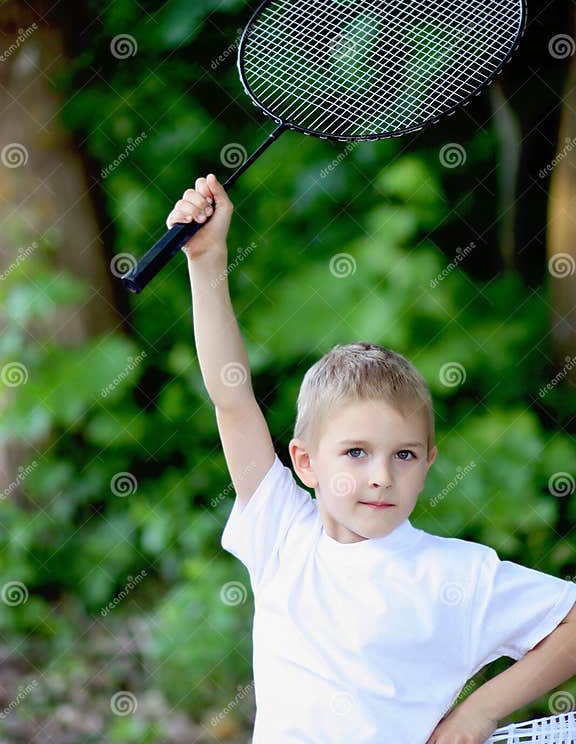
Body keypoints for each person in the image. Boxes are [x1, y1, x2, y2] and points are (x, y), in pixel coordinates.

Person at [166, 174, 576, 744]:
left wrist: (478, 713)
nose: (381, 477)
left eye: (404, 454)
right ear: (305, 463)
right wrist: (206, 261)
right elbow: (232, 400)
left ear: (428, 464)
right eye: (355, 453)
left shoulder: (456, 576)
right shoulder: (281, 535)